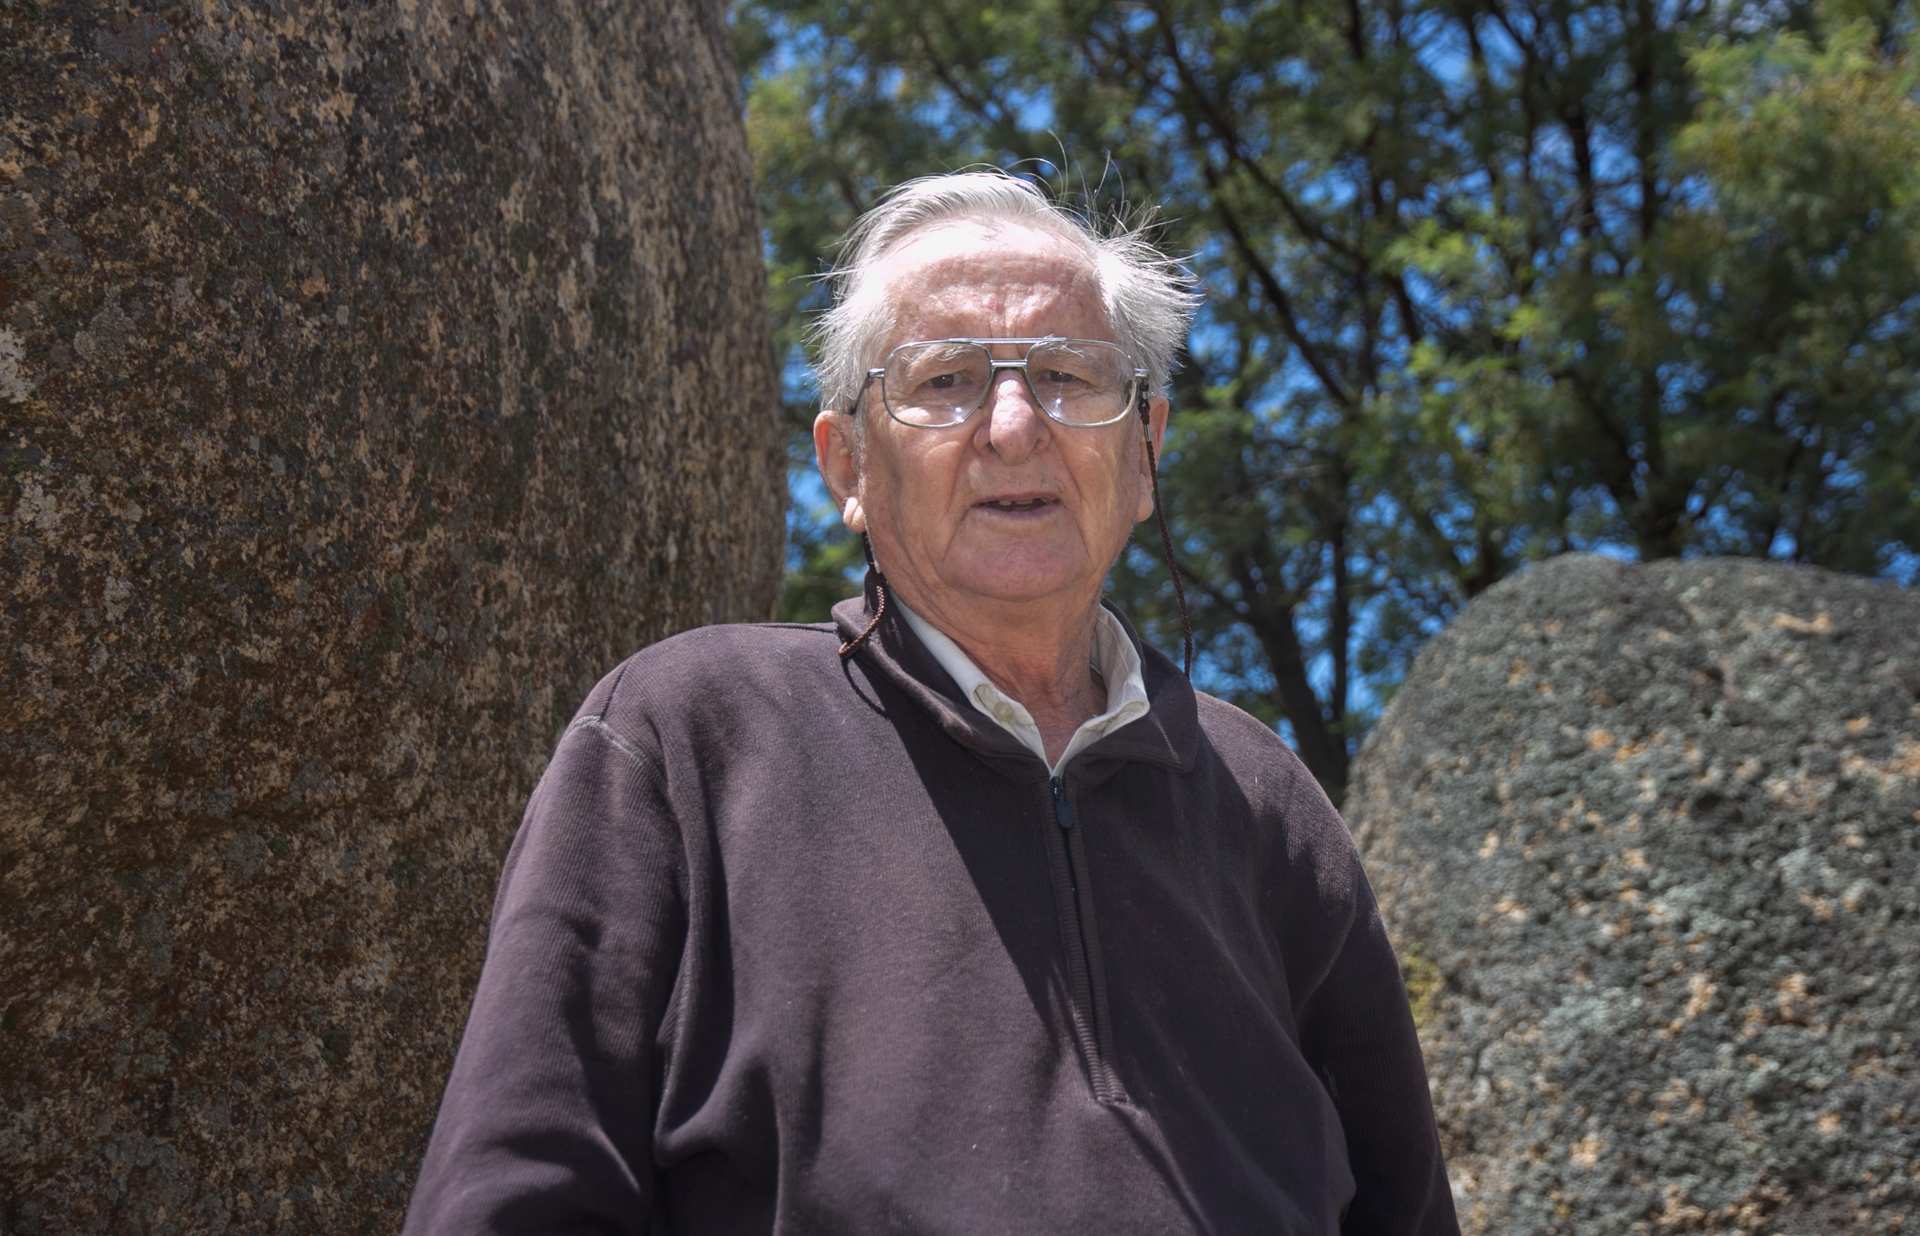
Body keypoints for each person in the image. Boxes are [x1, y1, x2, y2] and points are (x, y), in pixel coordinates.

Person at [404, 170, 1458, 1234]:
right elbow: (514, 1198)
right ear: (847, 463)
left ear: (1144, 452)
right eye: (946, 378)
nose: (1012, 425)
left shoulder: (1267, 805)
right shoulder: (686, 739)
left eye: (1066, 372)